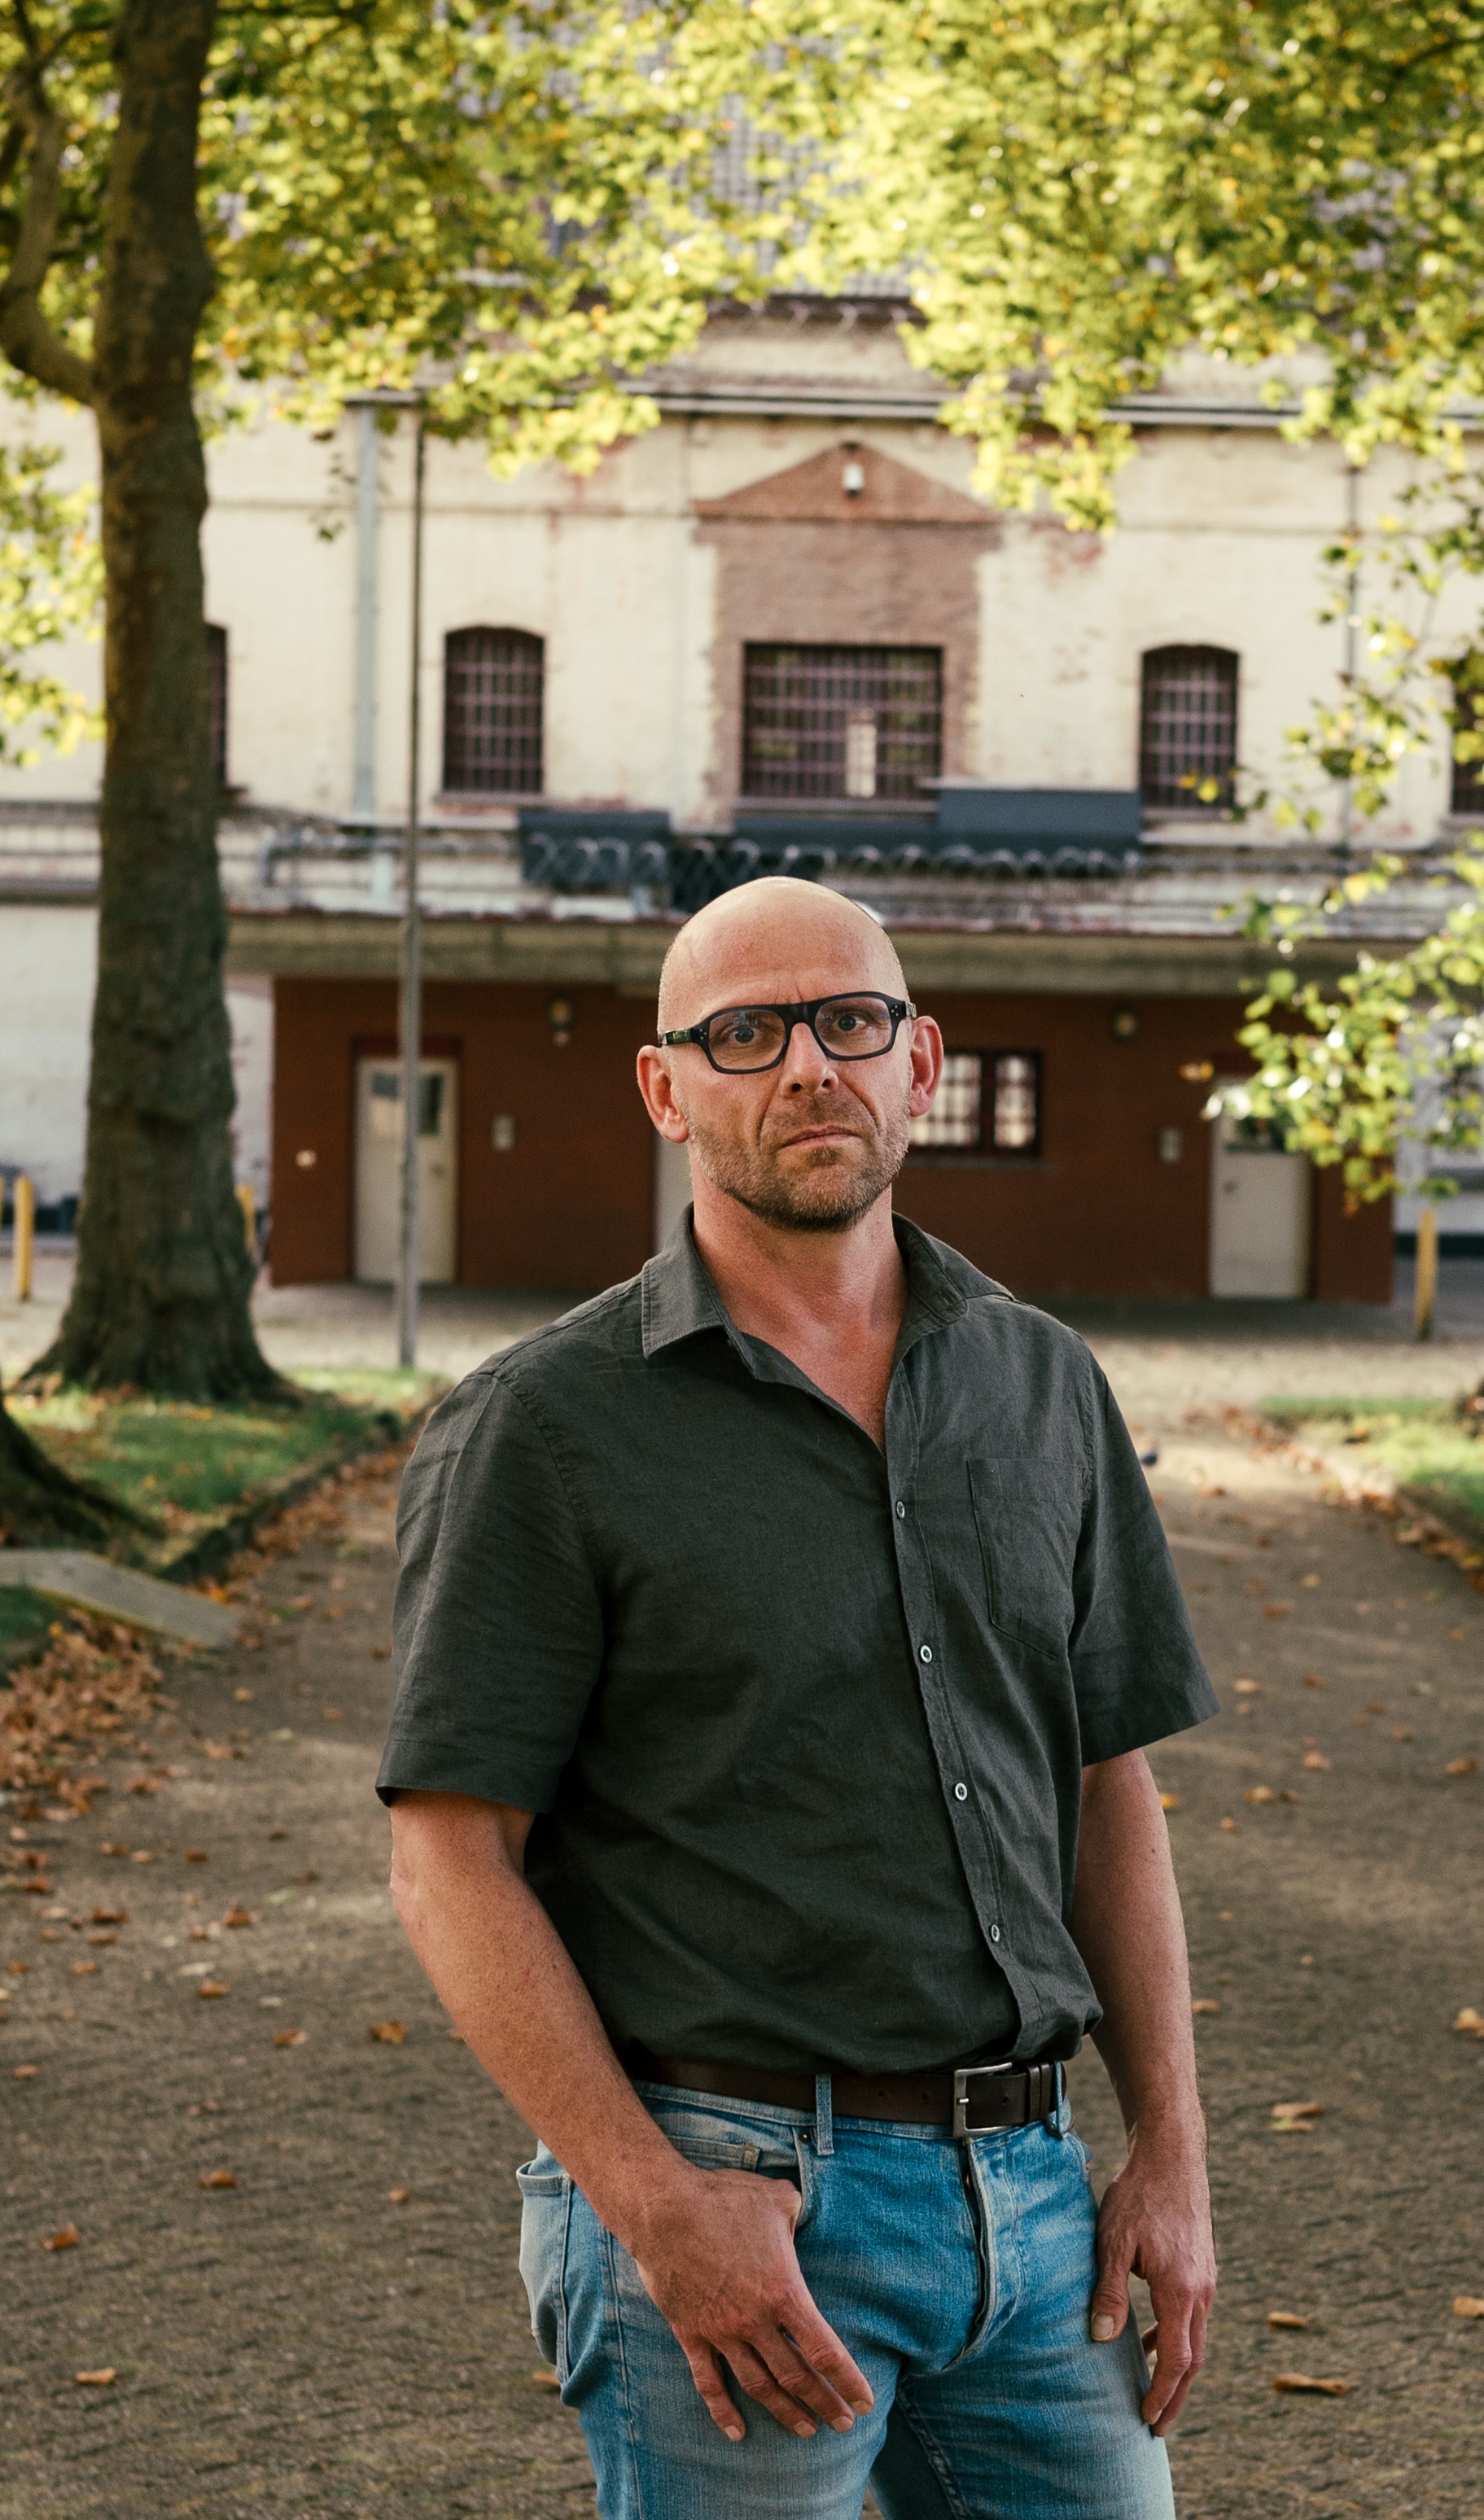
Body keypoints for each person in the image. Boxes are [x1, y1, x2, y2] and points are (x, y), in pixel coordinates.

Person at [379, 877, 1218, 2520]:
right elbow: (450, 1858)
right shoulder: (541, 1431)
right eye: (744, 1034)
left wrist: (1171, 2153)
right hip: (731, 2191)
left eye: (847, 1023)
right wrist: (654, 2207)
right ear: (665, 1087)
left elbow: (1104, 1782)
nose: (804, 1070)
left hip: (1040, 2217)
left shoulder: (1044, 1385)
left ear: (920, 1061)